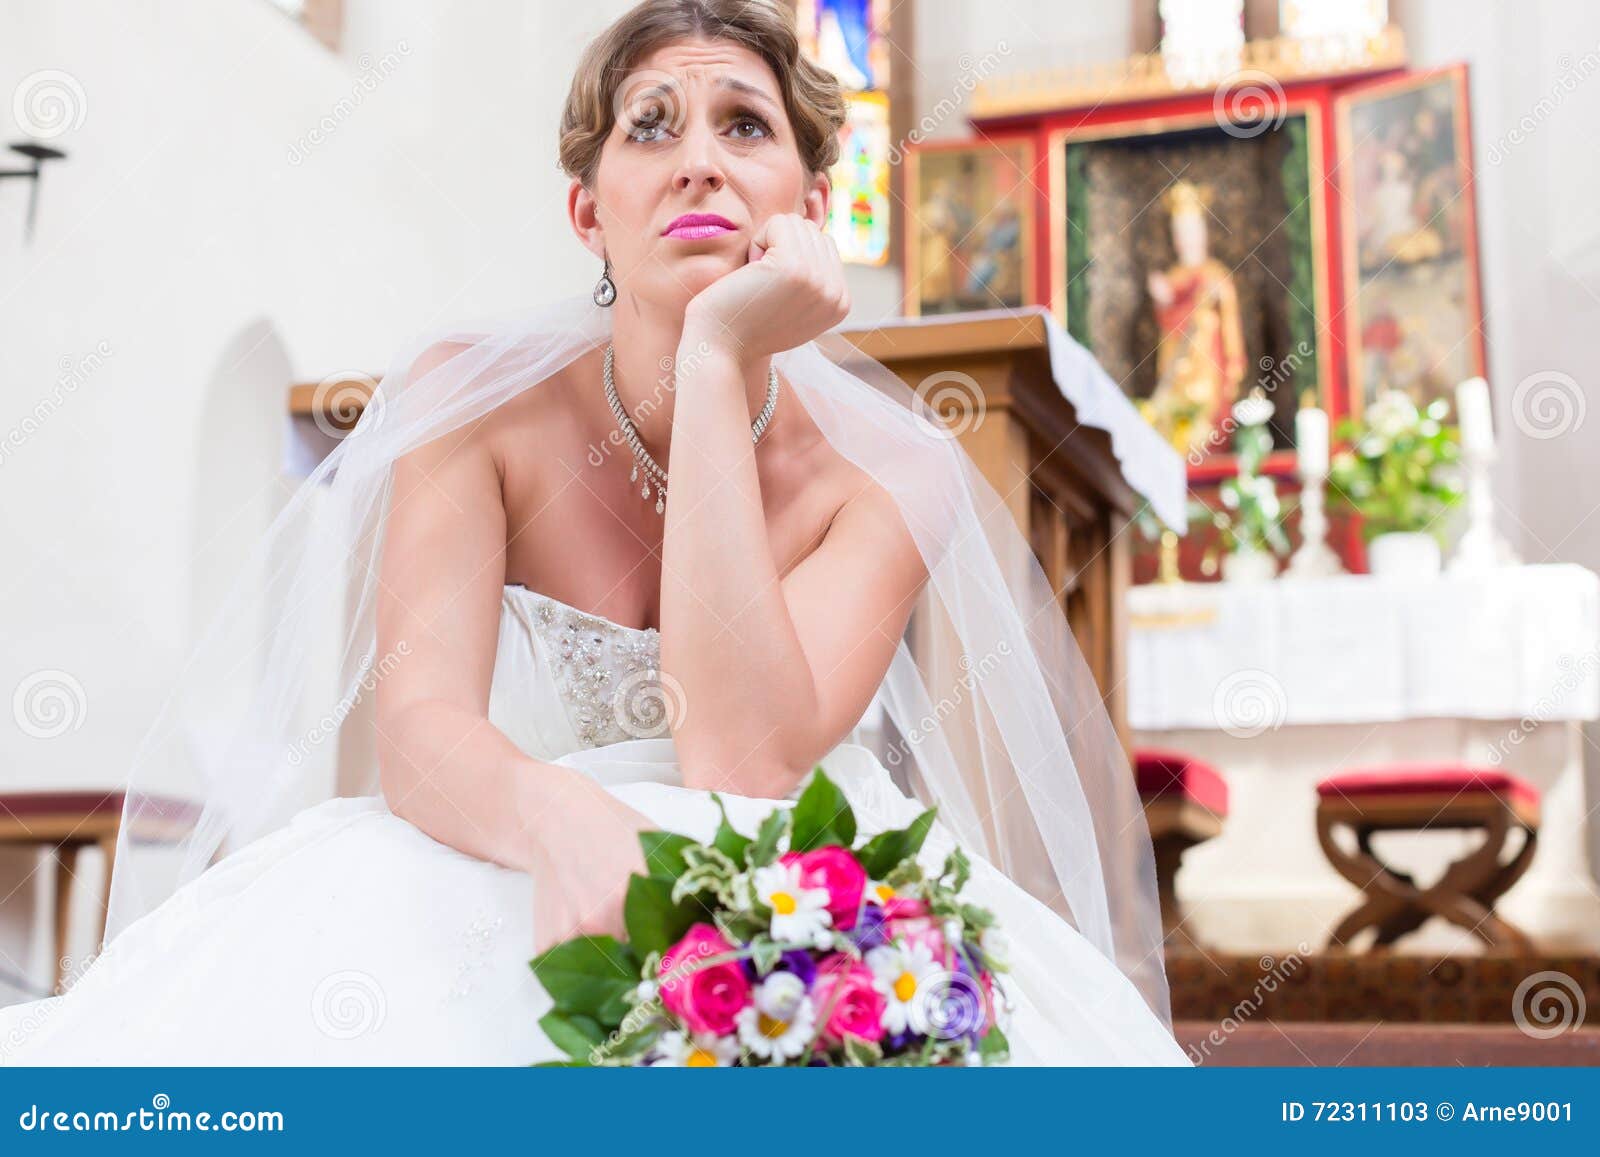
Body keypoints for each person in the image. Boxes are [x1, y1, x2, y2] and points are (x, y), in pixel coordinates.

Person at [0, 0, 1188, 1066]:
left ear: (812, 211)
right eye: (652, 126)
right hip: (502, 829)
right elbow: (418, 732)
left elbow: (738, 759)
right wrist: (559, 817)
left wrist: (719, 354)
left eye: (746, 126)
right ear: (589, 208)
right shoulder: (473, 398)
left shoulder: (896, 465)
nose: (699, 165)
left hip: (788, 883)